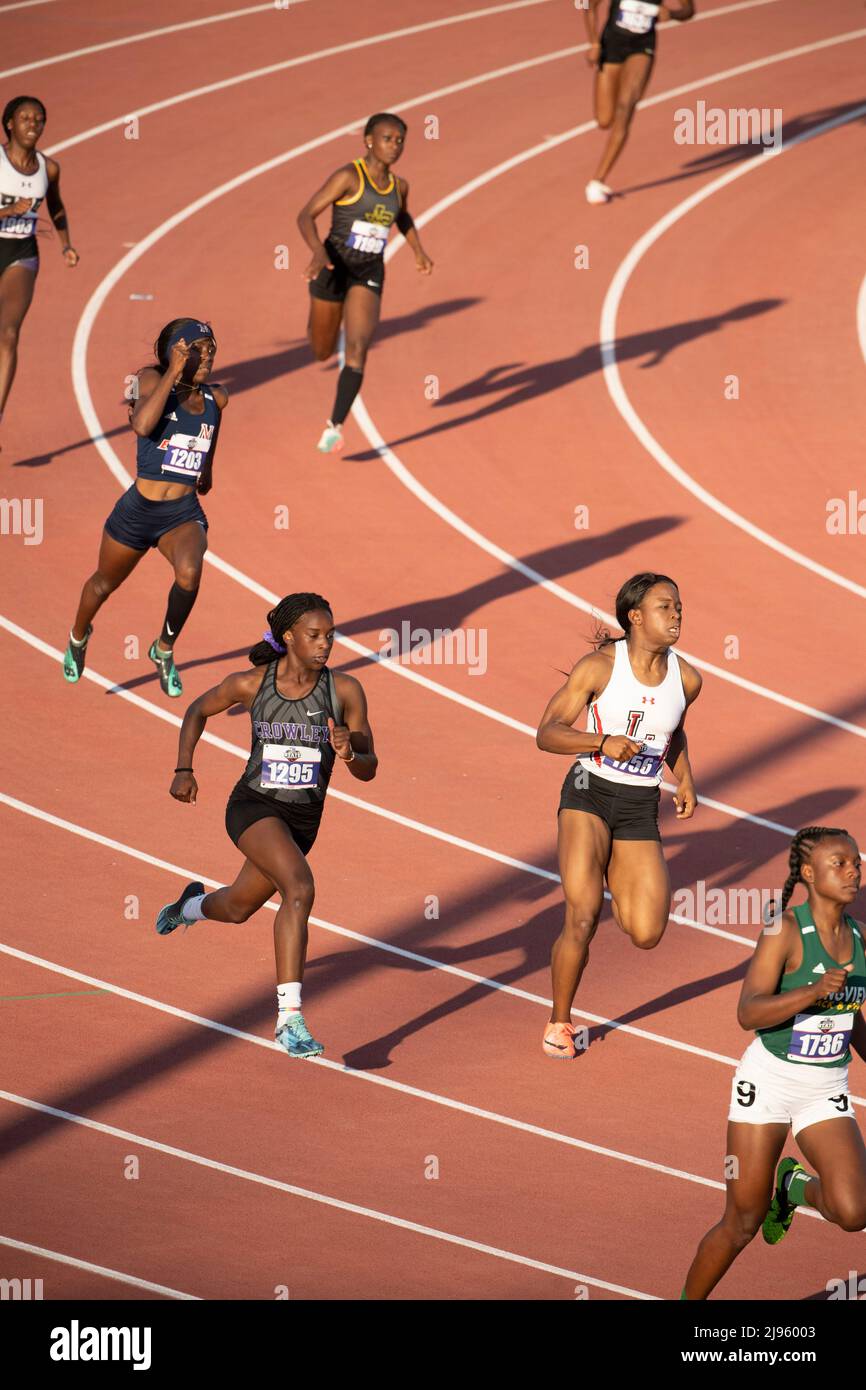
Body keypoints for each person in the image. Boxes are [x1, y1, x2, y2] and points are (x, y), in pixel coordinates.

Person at [155, 593, 378, 1059]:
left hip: (302, 820)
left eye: (331, 636)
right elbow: (197, 709)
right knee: (300, 889)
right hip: (253, 807)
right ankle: (289, 1020)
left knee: (238, 908)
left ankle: (187, 908)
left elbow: (370, 768)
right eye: (315, 636)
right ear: (289, 637)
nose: (325, 645)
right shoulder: (251, 684)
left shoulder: (345, 691)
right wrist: (183, 769)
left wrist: (351, 751)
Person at [682, 827, 866, 1299]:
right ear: (808, 873)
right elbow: (748, 1012)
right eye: (839, 863)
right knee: (742, 1222)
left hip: (826, 1088)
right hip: (767, 1084)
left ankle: (794, 1184)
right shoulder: (783, 929)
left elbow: (853, 1020)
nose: (853, 871)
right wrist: (811, 991)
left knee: (854, 1211)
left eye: (856, 863)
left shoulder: (862, 939)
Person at [536, 572, 701, 1058]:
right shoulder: (600, 668)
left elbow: (673, 731)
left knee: (647, 932)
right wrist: (600, 741)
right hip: (589, 792)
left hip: (637, 806)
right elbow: (547, 732)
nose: (676, 615)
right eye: (665, 607)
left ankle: (612, 868)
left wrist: (685, 776)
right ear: (635, 616)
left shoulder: (686, 678)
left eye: (678, 607)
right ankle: (559, 1022)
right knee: (583, 913)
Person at [63, 318, 226, 697]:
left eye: (211, 349)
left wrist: (206, 470)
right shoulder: (149, 379)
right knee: (103, 583)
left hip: (182, 514)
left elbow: (211, 434)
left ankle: (163, 649)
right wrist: (172, 370)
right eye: (198, 349)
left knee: (190, 572)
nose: (208, 357)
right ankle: (78, 635)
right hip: (138, 511)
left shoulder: (217, 398)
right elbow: (142, 425)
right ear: (175, 352)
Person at [297, 111, 433, 454]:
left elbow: (402, 216)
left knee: (357, 349)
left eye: (400, 140)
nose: (395, 146)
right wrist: (316, 251)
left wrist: (418, 251)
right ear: (368, 140)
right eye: (388, 139)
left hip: (368, 273)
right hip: (332, 267)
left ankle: (334, 426)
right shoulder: (348, 177)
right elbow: (305, 214)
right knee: (322, 350)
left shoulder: (400, 187)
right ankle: (319, 323)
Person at [0, 95, 78, 434]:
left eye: (39, 119)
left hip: (22, 253)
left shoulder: (49, 168)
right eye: (26, 118)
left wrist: (66, 246)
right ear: (9, 124)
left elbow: (56, 207)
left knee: (8, 334)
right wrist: (5, 212)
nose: (33, 124)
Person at [582, 1, 695, 204]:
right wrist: (594, 44)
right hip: (611, 46)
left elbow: (688, 11)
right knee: (604, 120)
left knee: (626, 107)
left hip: (642, 48)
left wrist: (672, 14)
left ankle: (597, 180)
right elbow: (588, 5)